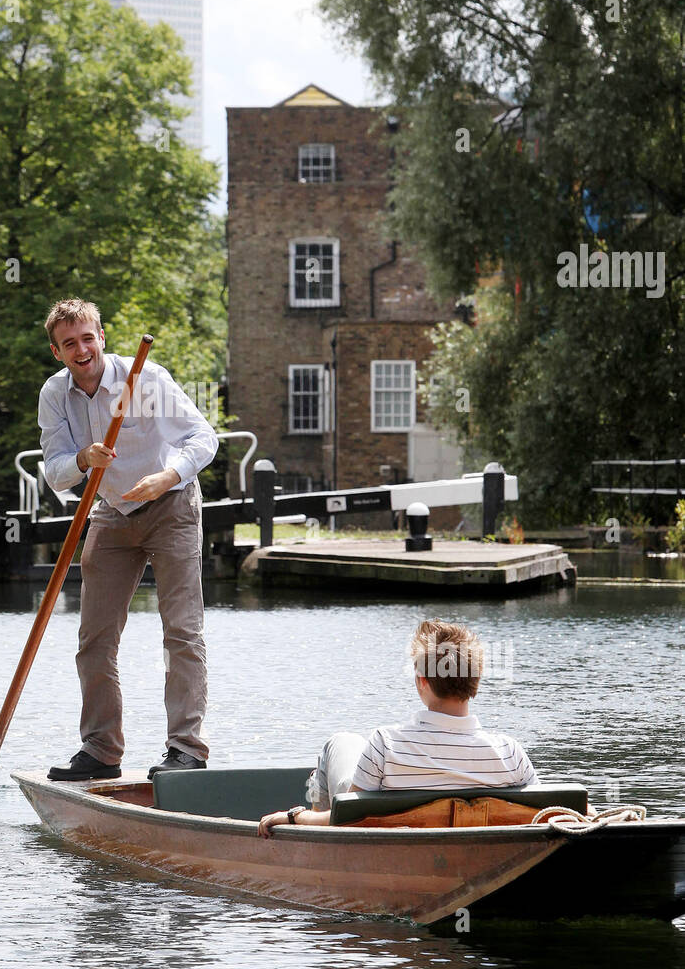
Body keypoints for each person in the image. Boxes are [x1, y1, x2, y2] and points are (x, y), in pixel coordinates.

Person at [38, 299, 219, 781]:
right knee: (93, 639)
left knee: (181, 630)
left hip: (172, 505)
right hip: (111, 510)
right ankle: (101, 751)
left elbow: (204, 438)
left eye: (87, 338)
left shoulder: (145, 378)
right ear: (57, 352)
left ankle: (187, 750)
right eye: (69, 343)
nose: (82, 349)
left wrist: (168, 476)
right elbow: (55, 472)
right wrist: (82, 460)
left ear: (101, 336)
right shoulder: (55, 395)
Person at [258, 618, 537, 836]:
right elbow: (551, 810)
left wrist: (295, 817)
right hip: (473, 848)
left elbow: (347, 817)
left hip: (390, 844)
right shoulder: (510, 752)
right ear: (475, 680)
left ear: (422, 682)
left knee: (341, 742)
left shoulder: (385, 743)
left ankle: (312, 848)